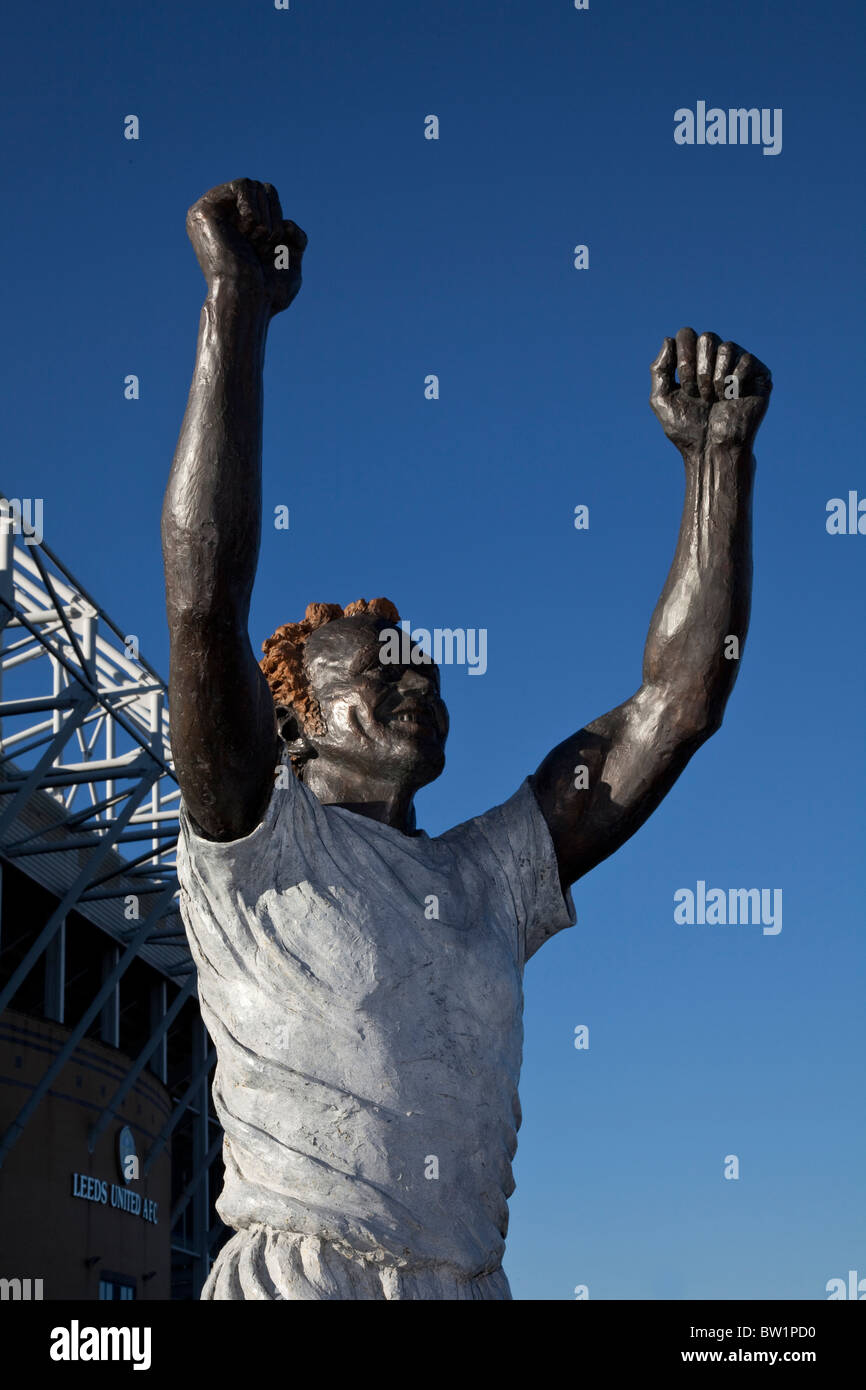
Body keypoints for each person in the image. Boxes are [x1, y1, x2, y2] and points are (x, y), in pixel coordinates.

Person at [162, 178, 772, 1299]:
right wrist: (233, 308)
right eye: (381, 662)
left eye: (428, 667)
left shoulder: (486, 873)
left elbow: (675, 704)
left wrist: (714, 467)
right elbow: (204, 600)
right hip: (307, 1280)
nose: (416, 675)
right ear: (291, 725)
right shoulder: (260, 846)